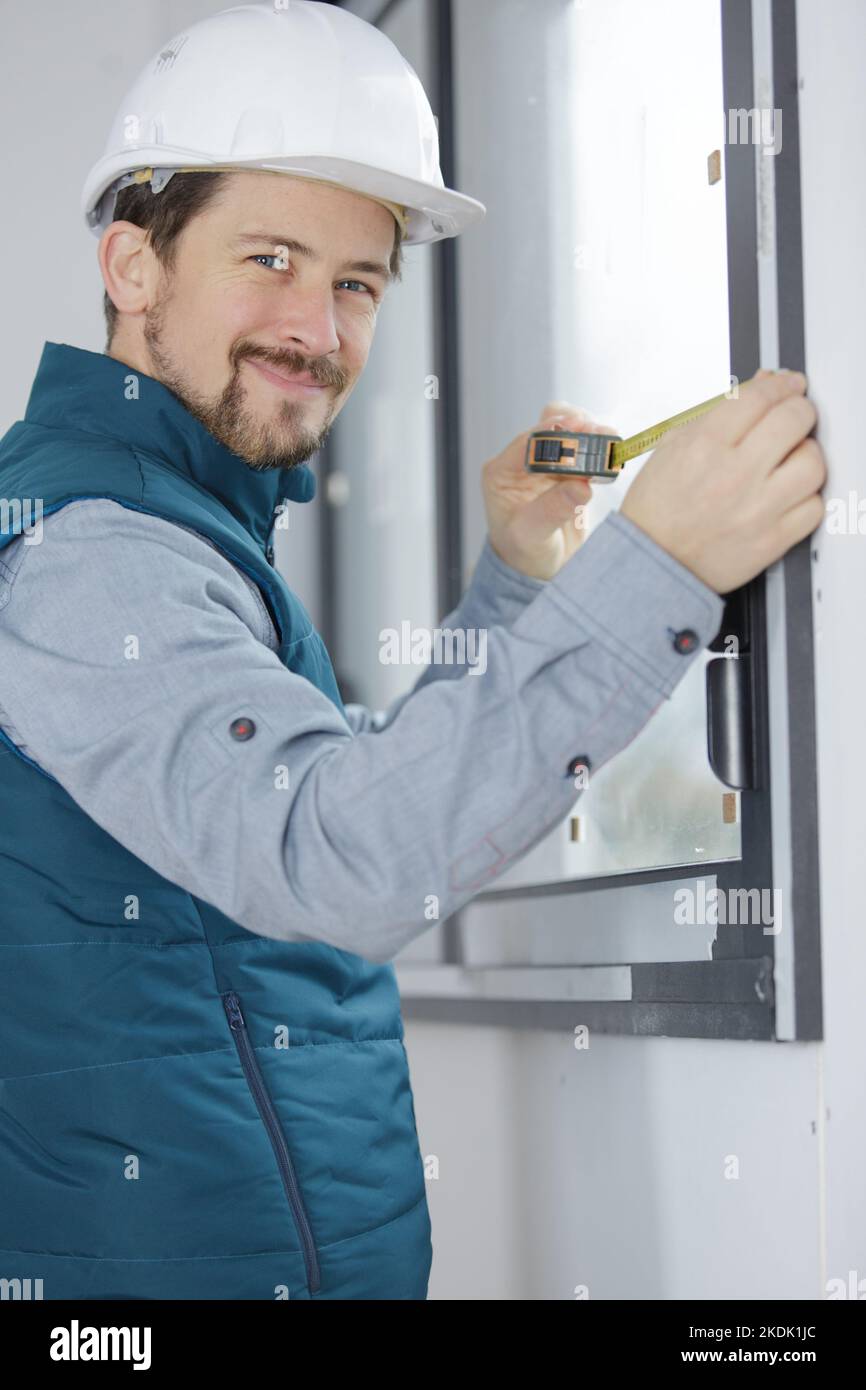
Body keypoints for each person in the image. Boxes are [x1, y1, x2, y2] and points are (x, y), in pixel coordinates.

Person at [0, 2, 824, 1301]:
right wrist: (653, 567)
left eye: (355, 282)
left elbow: (329, 811)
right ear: (132, 267)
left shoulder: (185, 531)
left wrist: (513, 585)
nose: (317, 330)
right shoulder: (96, 551)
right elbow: (344, 860)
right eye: (268, 258)